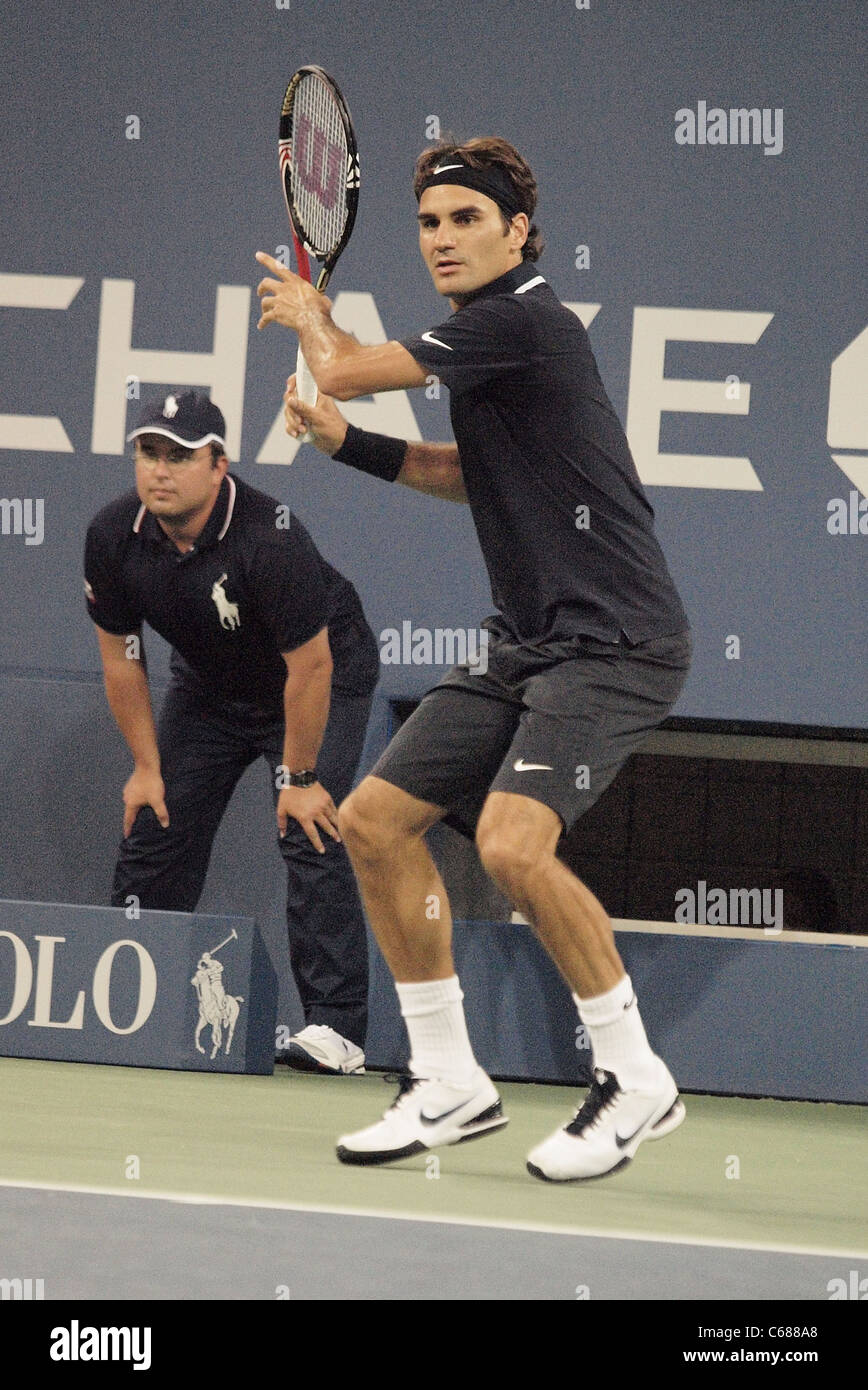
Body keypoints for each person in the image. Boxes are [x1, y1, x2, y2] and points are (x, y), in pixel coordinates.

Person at [255, 136, 693, 1180]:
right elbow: (460, 469)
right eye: (428, 223)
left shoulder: (523, 318)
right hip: (526, 645)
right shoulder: (486, 337)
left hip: (615, 644)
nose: (442, 238)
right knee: (371, 820)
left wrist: (314, 321)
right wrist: (342, 443)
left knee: (509, 844)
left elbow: (349, 369)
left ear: (517, 231)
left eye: (464, 220)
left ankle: (635, 1076)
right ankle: (449, 1078)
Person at [84, 390, 380, 1074]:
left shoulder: (269, 538)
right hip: (212, 685)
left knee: (308, 827)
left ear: (218, 465)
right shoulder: (111, 536)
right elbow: (121, 658)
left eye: (180, 456)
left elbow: (310, 668)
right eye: (148, 453)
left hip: (316, 674)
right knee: (156, 818)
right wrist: (145, 766)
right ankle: (129, 997)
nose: (160, 470)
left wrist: (301, 778)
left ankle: (336, 1031)